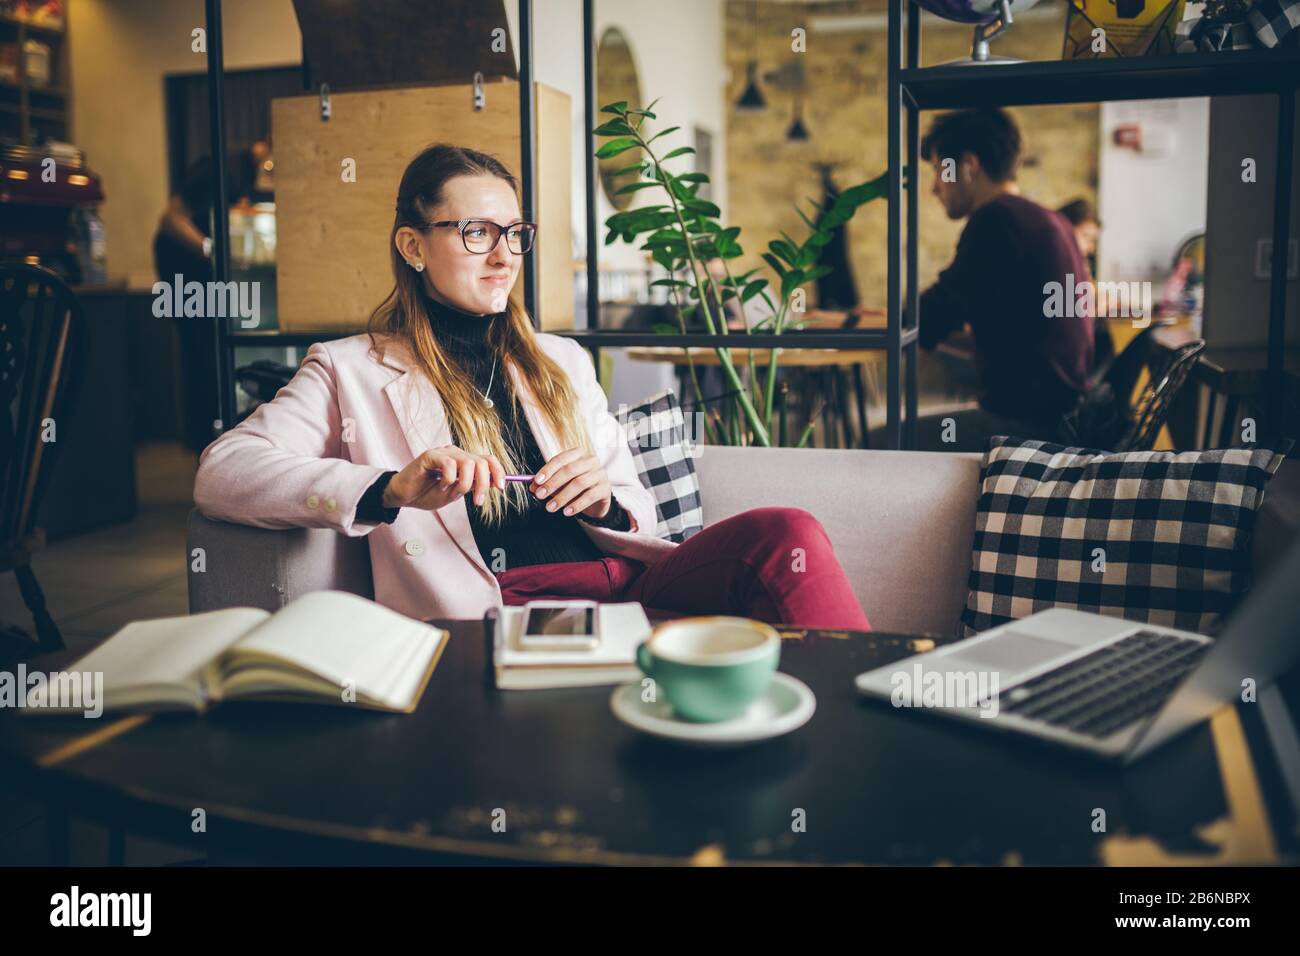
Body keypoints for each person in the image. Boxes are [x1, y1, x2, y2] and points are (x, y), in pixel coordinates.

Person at [193, 143, 870, 629]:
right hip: (507, 608)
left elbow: (640, 512)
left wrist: (604, 504)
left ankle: (863, 744)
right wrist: (387, 488)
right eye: (476, 231)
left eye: (515, 233)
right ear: (412, 245)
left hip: (627, 580)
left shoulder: (561, 361)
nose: (504, 255)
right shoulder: (350, 368)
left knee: (789, 533)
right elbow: (223, 472)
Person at [908, 109, 1095, 452]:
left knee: (876, 445)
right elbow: (1007, 335)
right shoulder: (1048, 220)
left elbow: (931, 316)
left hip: (1030, 430)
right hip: (1064, 418)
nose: (935, 187)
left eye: (938, 170)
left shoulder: (997, 221)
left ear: (969, 165)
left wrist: (892, 315)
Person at [154, 142, 274, 453]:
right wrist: (212, 250)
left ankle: (214, 445)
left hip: (215, 277)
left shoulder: (253, 176)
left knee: (213, 354)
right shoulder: (221, 168)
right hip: (185, 270)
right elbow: (171, 218)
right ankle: (203, 447)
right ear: (268, 144)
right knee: (202, 355)